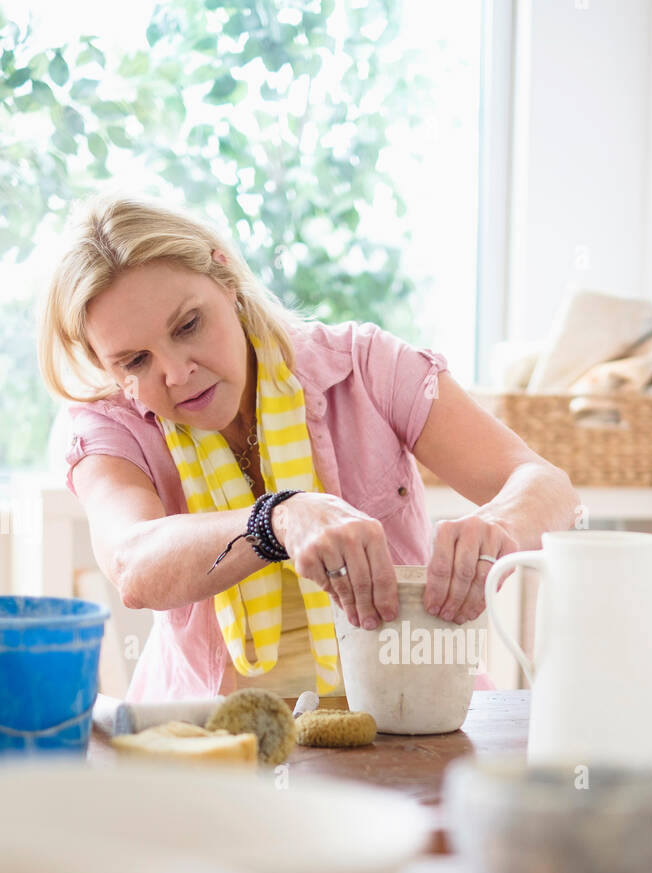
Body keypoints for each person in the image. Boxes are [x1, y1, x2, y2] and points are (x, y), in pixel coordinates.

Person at [37, 194, 577, 702]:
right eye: (135, 361)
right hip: (212, 746)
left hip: (405, 718)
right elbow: (133, 562)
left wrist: (501, 526)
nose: (176, 373)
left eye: (189, 325)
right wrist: (274, 521)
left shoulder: (364, 365)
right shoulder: (107, 426)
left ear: (224, 274)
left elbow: (549, 488)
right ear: (104, 363)